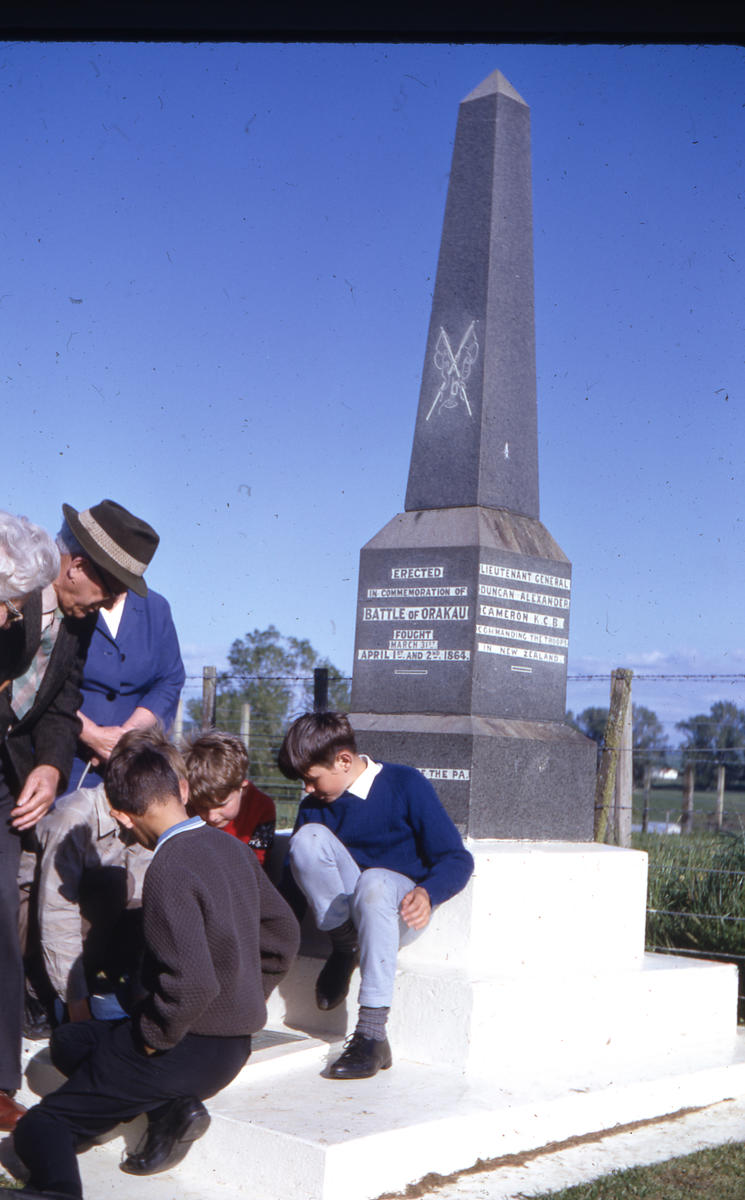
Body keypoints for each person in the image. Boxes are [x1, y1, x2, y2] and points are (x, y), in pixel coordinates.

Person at [12, 728, 300, 1200]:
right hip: (232, 1046)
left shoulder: (168, 866)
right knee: (69, 1041)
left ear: (123, 815)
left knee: (39, 1129)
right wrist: (248, 996)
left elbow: (189, 988)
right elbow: (284, 934)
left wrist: (148, 1043)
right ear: (183, 790)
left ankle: (59, 1188)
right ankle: (160, 1107)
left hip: (178, 1045)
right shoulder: (230, 846)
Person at [0, 499, 159, 1133]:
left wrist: (47, 766)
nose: (108, 603)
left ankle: (0, 1083)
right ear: (73, 564)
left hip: (10, 784)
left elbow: (62, 703)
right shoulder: (11, 587)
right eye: (108, 586)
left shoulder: (79, 618)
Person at [277, 710, 474, 1080]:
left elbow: (456, 857)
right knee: (304, 840)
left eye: (311, 778)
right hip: (350, 912)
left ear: (344, 760)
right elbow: (294, 877)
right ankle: (344, 944)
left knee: (376, 882)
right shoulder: (314, 808)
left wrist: (428, 893)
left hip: (396, 909)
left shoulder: (404, 783)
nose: (307, 789)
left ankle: (371, 1034)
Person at [20, 779, 153, 1026]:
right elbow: (56, 912)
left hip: (67, 912)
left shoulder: (140, 814)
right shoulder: (73, 819)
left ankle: (90, 979)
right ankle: (35, 987)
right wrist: (77, 1004)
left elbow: (140, 905)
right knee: (112, 886)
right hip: (25, 916)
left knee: (124, 889)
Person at [66, 582, 185, 794]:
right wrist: (92, 735)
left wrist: (125, 737)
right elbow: (43, 681)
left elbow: (170, 679)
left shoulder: (156, 608)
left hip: (135, 763)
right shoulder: (70, 602)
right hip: (68, 757)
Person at [184, 729, 276, 866]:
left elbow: (257, 864)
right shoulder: (184, 806)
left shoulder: (262, 808)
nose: (211, 817)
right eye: (202, 807)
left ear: (241, 788)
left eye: (221, 805)